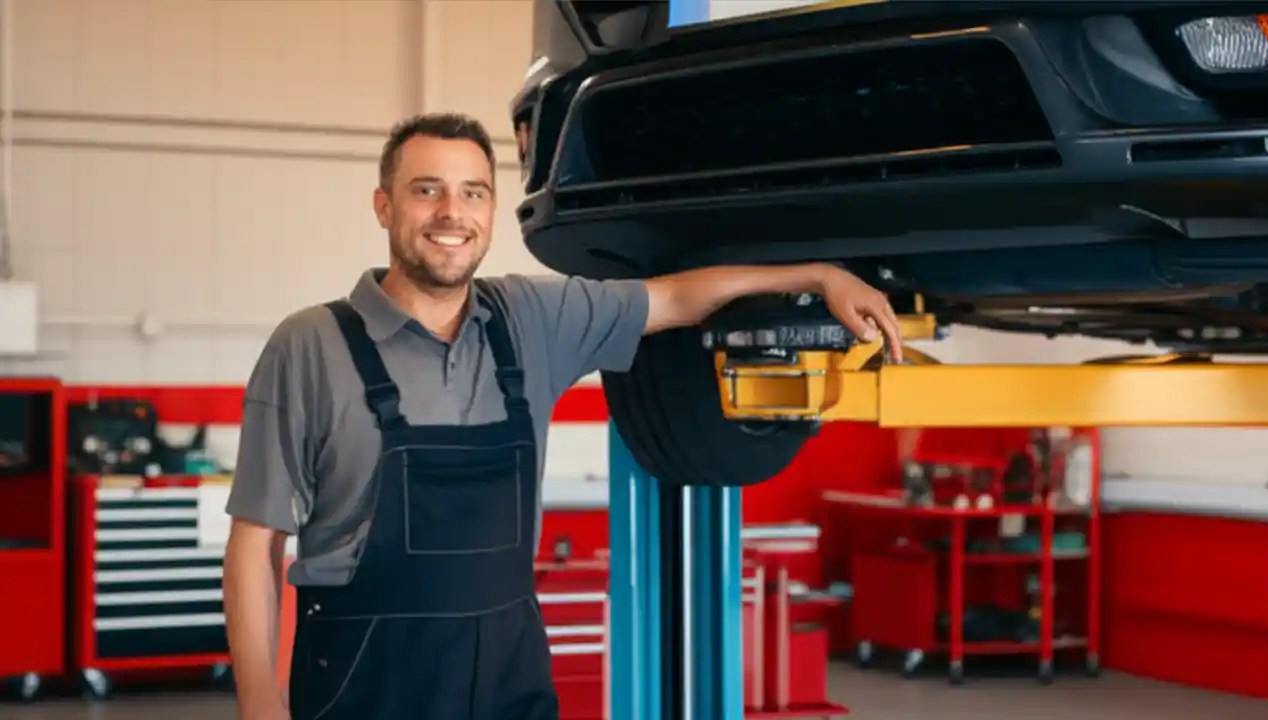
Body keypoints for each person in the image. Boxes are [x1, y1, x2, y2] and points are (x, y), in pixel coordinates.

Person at [221, 112, 902, 720]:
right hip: (366, 681)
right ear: (384, 205)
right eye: (426, 189)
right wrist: (260, 705)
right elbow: (255, 544)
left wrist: (816, 277)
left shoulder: (532, 320)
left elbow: (672, 300)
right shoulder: (310, 344)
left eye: (473, 192)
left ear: (490, 210)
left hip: (508, 676)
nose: (450, 212)